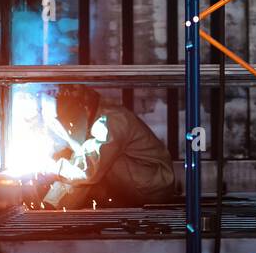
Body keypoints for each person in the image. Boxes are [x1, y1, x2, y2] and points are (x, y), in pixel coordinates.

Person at [39, 85, 174, 210]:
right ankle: (51, 210)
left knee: (85, 166)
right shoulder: (89, 122)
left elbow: (89, 170)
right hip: (130, 189)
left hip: (152, 191)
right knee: (78, 162)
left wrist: (51, 168)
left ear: (84, 103)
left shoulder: (112, 120)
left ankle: (52, 212)